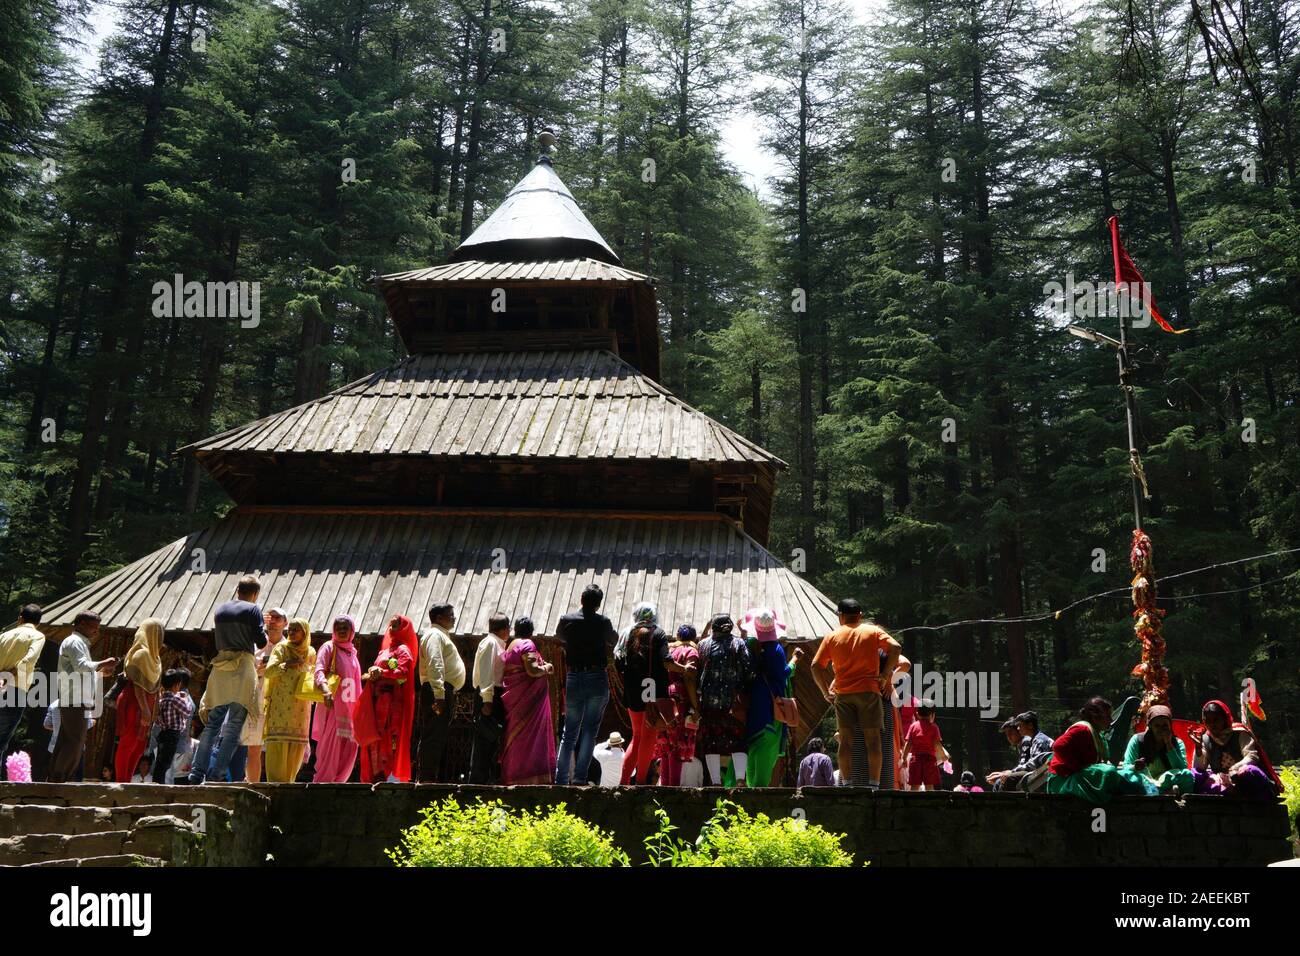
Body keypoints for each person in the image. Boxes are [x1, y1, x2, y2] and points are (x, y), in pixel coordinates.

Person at [812, 598, 900, 789]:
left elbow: (815, 666)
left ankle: (848, 783)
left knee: (845, 740)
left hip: (843, 694)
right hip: (869, 692)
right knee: (873, 740)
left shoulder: (832, 637)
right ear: (860, 615)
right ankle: (874, 785)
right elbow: (895, 648)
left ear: (840, 616)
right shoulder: (873, 631)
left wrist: (825, 690)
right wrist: (885, 675)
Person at [186, 576, 266, 784]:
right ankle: (217, 774)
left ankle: (196, 773)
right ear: (255, 594)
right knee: (234, 725)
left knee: (213, 724)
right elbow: (261, 640)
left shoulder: (220, 609)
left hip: (221, 666)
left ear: (237, 589)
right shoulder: (253, 609)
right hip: (242, 666)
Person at [619, 606, 693, 785]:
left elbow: (618, 661)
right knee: (649, 736)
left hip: (632, 690)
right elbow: (666, 661)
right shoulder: (658, 634)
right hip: (653, 691)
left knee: (636, 736)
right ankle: (641, 781)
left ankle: (623, 782)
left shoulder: (626, 633)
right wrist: (685, 669)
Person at [554, 584, 617, 785]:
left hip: (574, 677)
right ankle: (580, 777)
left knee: (569, 731)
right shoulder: (602, 622)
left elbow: (560, 637)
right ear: (598, 604)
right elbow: (613, 640)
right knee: (590, 730)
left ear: (581, 599)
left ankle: (561, 779)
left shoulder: (566, 620)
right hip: (596, 677)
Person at [50, 612, 116, 782]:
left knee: (67, 740)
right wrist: (102, 663)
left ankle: (56, 777)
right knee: (75, 741)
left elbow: (82, 673)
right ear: (80, 624)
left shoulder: (79, 643)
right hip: (74, 699)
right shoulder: (74, 641)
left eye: (97, 628)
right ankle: (61, 778)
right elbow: (81, 667)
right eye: (93, 627)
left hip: (76, 698)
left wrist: (100, 673)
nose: (96, 631)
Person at [1046, 696, 1150, 803]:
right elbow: (1058, 745)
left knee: (1117, 773)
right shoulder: (1082, 729)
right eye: (1108, 716)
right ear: (1095, 718)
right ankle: (1142, 793)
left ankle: (1141, 791)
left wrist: (1133, 767)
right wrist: (1077, 770)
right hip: (1063, 781)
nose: (1111, 720)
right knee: (1108, 772)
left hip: (1076, 778)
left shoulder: (1097, 735)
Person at [739, 607, 798, 788]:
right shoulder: (776, 650)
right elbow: (783, 673)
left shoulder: (749, 645)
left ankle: (748, 799)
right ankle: (759, 806)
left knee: (753, 753)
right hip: (771, 712)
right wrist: (794, 660)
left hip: (754, 708)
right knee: (767, 754)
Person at [356, 614, 418, 783]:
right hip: (377, 704)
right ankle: (375, 779)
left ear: (405, 629)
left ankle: (390, 781)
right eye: (391, 625)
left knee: (390, 741)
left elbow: (404, 673)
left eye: (397, 625)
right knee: (374, 739)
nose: (392, 628)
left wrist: (382, 672)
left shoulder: (403, 650)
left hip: (393, 706)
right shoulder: (384, 652)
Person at [695, 614, 751, 787]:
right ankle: (741, 780)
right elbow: (748, 666)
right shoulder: (738, 643)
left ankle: (716, 782)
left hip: (708, 703)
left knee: (711, 742)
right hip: (732, 702)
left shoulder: (703, 645)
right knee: (738, 742)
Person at [499, 617, 556, 785]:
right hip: (529, 704)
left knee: (518, 739)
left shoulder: (511, 645)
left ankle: (514, 777)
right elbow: (532, 670)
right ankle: (531, 780)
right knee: (530, 739)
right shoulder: (527, 645)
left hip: (518, 702)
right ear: (531, 632)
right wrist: (547, 667)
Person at [1190, 699, 1282, 800]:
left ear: (1225, 719)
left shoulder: (1239, 733)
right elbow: (1199, 769)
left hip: (1243, 778)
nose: (1212, 725)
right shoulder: (1206, 739)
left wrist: (1234, 770)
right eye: (1208, 721)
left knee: (1250, 771)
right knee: (1194, 775)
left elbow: (1252, 757)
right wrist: (1198, 748)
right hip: (1223, 783)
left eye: (1216, 720)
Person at [310, 614, 363, 783]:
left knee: (349, 750)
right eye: (337, 628)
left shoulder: (352, 653)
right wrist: (326, 691)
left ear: (351, 631)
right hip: (332, 707)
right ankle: (321, 786)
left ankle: (338, 787)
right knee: (329, 750)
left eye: (345, 628)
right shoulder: (329, 647)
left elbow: (357, 685)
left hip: (350, 711)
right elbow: (318, 670)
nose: (341, 631)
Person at [262, 618, 316, 782]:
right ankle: (274, 785)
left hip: (301, 708)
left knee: (296, 746)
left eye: (295, 630)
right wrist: (286, 664)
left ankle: (288, 785)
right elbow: (269, 672)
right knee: (278, 744)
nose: (291, 633)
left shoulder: (311, 653)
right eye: (290, 629)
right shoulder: (281, 648)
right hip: (280, 707)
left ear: (305, 633)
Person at [416, 604, 465, 783]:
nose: (454, 618)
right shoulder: (434, 635)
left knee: (438, 734)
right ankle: (427, 780)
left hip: (442, 690)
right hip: (438, 690)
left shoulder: (441, 635)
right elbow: (435, 664)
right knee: (433, 735)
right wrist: (439, 695)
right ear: (438, 618)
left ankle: (431, 778)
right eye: (450, 615)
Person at [114, 618, 163, 782]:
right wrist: (145, 709)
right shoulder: (141, 654)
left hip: (146, 705)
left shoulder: (155, 658)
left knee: (139, 746)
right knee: (128, 743)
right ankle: (121, 781)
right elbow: (138, 685)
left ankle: (127, 781)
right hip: (135, 702)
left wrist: (152, 711)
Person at [241, 606, 287, 783]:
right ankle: (253, 786)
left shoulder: (288, 648)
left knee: (279, 748)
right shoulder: (255, 645)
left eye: (278, 618)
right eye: (271, 617)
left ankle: (279, 787)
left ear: (285, 623)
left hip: (280, 704)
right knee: (253, 748)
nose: (274, 621)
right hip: (257, 701)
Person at [0, 604, 46, 774]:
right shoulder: (37, 636)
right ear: (38, 623)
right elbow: (29, 660)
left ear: (20, 618)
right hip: (15, 690)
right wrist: (10, 674)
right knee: (2, 740)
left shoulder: (4, 635)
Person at [653, 625, 700, 786]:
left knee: (666, 745)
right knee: (678, 745)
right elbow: (689, 679)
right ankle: (673, 787)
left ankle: (664, 786)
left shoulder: (668, 650)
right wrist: (696, 706)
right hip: (680, 699)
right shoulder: (691, 652)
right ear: (693, 638)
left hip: (664, 697)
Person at [469, 613, 509, 783]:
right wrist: (487, 699)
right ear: (504, 629)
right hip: (489, 695)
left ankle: (488, 780)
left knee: (492, 739)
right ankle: (479, 781)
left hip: (494, 695)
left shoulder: (497, 644)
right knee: (484, 739)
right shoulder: (490, 643)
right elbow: (486, 672)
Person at [1122, 704, 1193, 795]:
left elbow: (1182, 768)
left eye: (1165, 726)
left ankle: (1155, 792)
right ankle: (1163, 793)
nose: (1161, 729)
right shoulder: (1137, 740)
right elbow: (1127, 766)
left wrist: (1168, 744)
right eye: (1157, 726)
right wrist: (1135, 767)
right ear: (1150, 726)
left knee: (1187, 775)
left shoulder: (1177, 743)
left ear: (1170, 726)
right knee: (1124, 776)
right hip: (1144, 779)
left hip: (1166, 780)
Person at [991, 711, 1055, 792]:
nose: (1018, 728)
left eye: (1020, 726)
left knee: (1008, 779)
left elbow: (1035, 764)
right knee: (1006, 779)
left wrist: (1011, 772)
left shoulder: (1039, 740)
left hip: (1046, 773)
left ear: (1030, 725)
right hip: (1039, 772)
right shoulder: (1034, 739)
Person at [152, 668, 194, 784]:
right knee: (166, 763)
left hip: (163, 733)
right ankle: (159, 784)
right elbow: (187, 711)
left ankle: (157, 782)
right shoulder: (176, 699)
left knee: (160, 762)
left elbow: (158, 720)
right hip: (173, 735)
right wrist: (185, 699)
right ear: (177, 685)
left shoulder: (162, 700)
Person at [900, 700, 943, 791]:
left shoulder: (913, 726)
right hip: (929, 760)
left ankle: (912, 803)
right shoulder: (934, 728)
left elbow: (908, 744)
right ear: (932, 715)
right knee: (929, 785)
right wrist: (943, 756)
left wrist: (903, 758)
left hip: (915, 759)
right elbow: (937, 744)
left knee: (914, 785)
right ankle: (929, 803)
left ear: (917, 714)